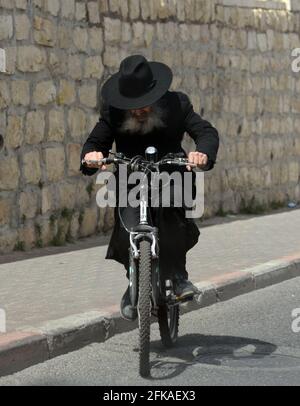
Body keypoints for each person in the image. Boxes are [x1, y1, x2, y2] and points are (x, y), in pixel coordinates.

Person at [80, 54, 219, 321]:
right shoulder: (113, 112)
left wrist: (202, 153)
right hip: (131, 179)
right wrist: (93, 156)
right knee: (126, 226)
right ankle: (133, 283)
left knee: (172, 215)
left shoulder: (178, 104)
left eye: (144, 104)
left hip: (170, 176)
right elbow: (95, 142)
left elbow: (206, 132)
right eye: (133, 106)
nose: (139, 110)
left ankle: (178, 277)